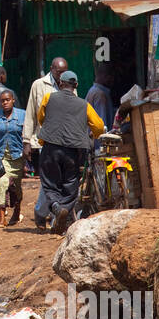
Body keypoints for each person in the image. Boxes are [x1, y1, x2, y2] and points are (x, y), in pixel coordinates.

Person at [36, 70, 105, 233]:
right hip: (74, 151)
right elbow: (99, 126)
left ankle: (56, 207)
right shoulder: (84, 104)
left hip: (51, 147)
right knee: (70, 183)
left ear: (60, 84)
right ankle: (64, 210)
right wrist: (93, 135)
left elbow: (41, 118)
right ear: (76, 86)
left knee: (50, 182)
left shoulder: (49, 98)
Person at [23, 57, 67, 228]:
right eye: (58, 72)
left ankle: (47, 211)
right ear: (51, 69)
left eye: (64, 72)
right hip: (44, 140)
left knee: (61, 179)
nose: (61, 76)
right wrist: (26, 141)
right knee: (49, 179)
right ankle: (42, 212)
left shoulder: (69, 82)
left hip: (65, 139)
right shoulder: (39, 85)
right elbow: (30, 113)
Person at [0, 89, 26, 226]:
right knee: (2, 183)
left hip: (18, 157)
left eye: (7, 100)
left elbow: (27, 134)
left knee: (16, 187)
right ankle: (2, 218)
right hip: (1, 156)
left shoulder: (22, 115)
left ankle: (17, 210)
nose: (5, 103)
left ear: (13, 100)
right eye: (2, 101)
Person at [87, 64, 115, 132]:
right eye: (110, 77)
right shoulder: (99, 94)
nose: (112, 80)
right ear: (104, 76)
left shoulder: (95, 91)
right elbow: (101, 126)